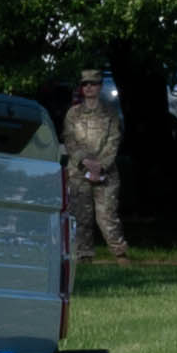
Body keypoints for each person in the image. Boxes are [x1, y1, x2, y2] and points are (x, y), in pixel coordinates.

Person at [62, 70, 131, 260]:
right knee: (80, 217)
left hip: (106, 173)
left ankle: (120, 255)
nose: (89, 87)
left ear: (100, 86)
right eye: (85, 84)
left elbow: (114, 140)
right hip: (78, 173)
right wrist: (85, 162)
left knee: (107, 217)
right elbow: (69, 141)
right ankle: (84, 257)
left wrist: (100, 165)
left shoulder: (110, 113)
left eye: (93, 83)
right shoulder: (73, 114)